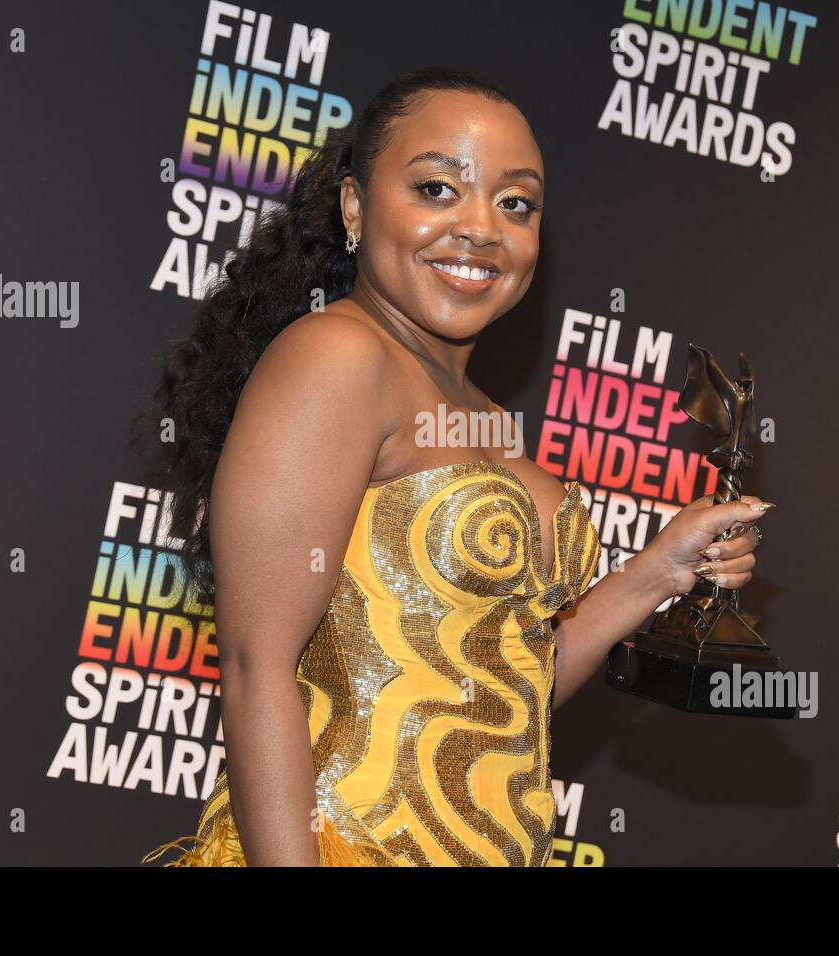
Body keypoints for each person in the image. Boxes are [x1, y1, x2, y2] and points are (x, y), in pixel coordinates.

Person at [138, 65, 770, 867]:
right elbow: (254, 665)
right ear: (355, 209)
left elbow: (501, 690)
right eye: (438, 189)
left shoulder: (484, 416)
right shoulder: (338, 356)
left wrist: (656, 573)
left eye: (516, 204)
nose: (480, 228)